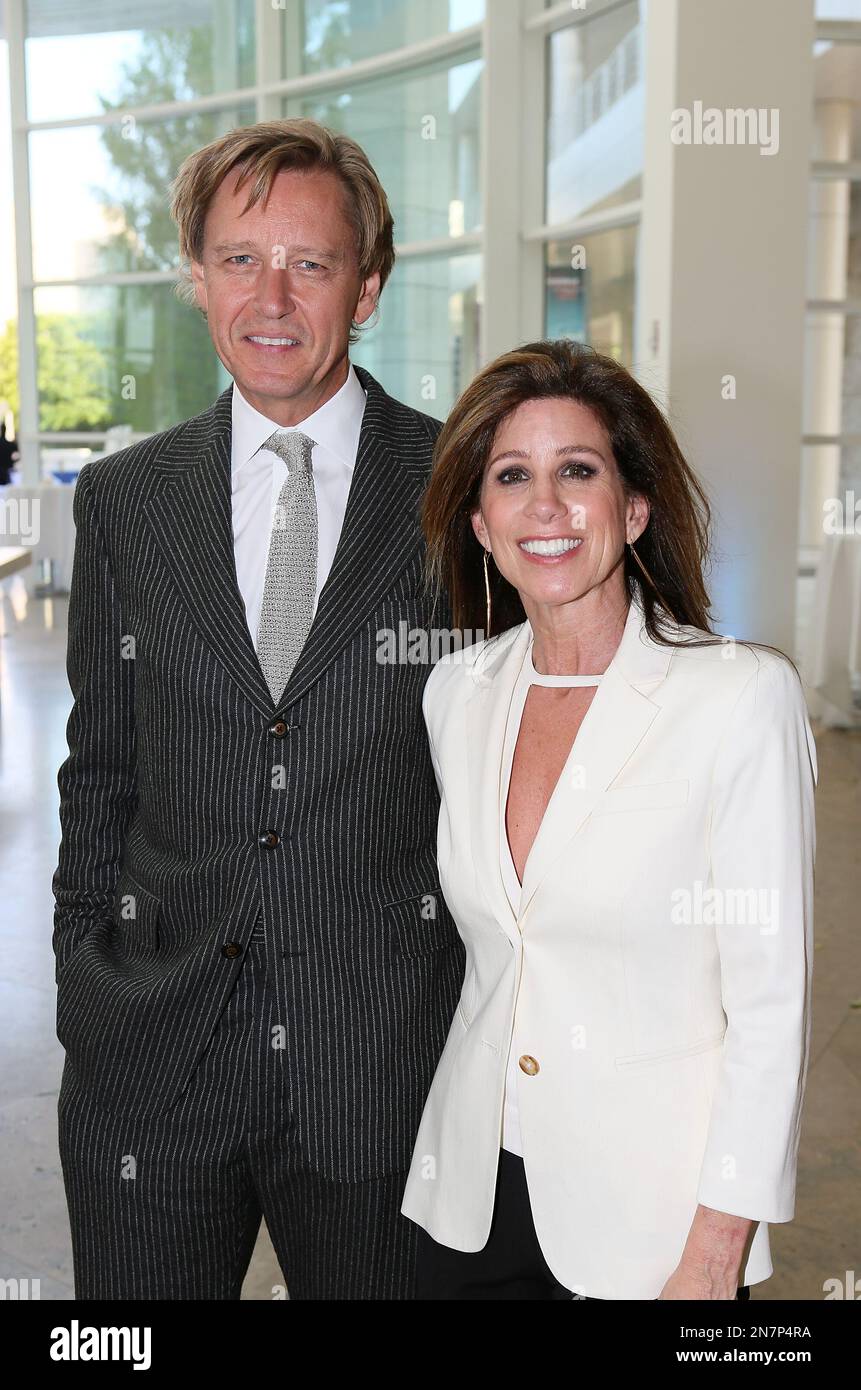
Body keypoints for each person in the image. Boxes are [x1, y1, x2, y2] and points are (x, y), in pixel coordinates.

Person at [52, 118, 464, 1300]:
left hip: (382, 1074)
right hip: (155, 1062)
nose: (271, 294)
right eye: (239, 258)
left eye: (312, 262)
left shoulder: (455, 492)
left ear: (369, 288)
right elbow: (102, 769)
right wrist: (89, 975)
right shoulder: (128, 501)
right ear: (196, 279)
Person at [401, 338, 817, 1300]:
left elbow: (770, 1008)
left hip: (654, 1229)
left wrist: (714, 1252)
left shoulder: (737, 698)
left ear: (632, 511)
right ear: (479, 522)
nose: (544, 506)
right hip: (470, 1204)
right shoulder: (457, 695)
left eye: (576, 471)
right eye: (512, 476)